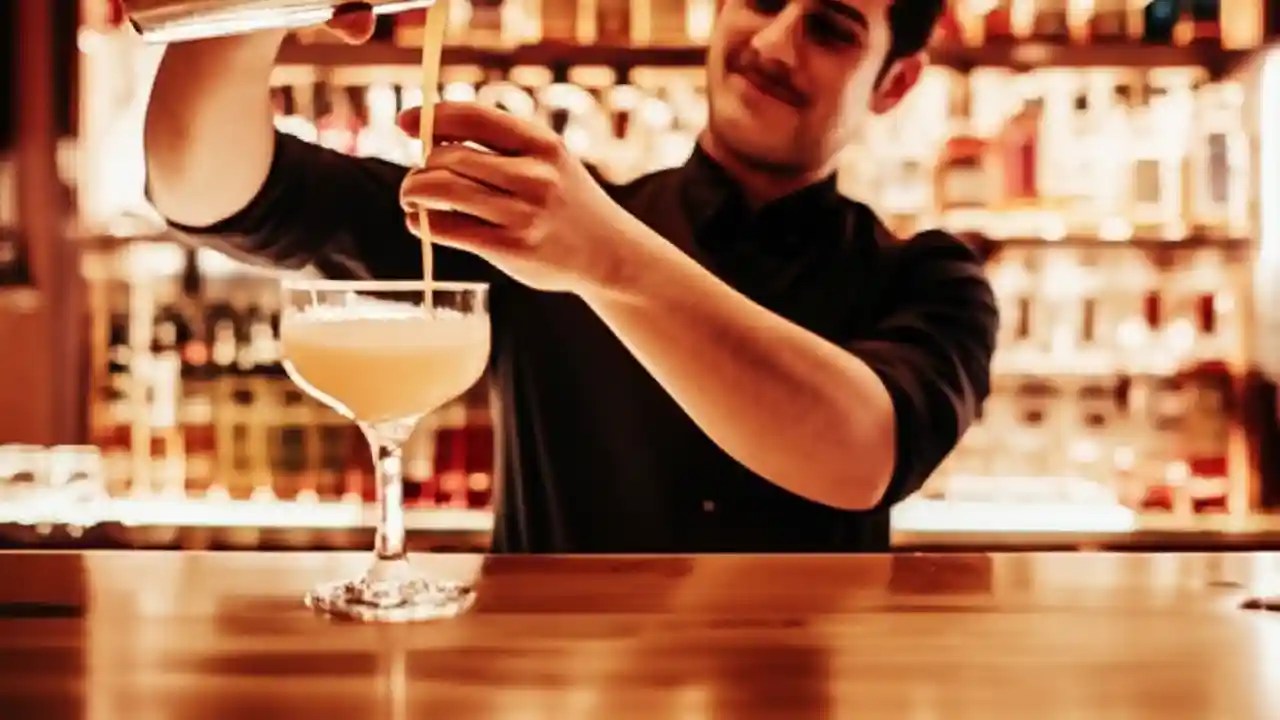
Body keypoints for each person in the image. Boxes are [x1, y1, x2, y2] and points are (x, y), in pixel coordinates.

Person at [143, 0, 998, 553]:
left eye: (832, 28)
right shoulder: (547, 223)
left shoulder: (929, 278)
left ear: (897, 83)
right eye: (763, 0)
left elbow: (859, 456)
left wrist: (606, 255)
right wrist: (251, 13)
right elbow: (212, 187)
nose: (777, 42)